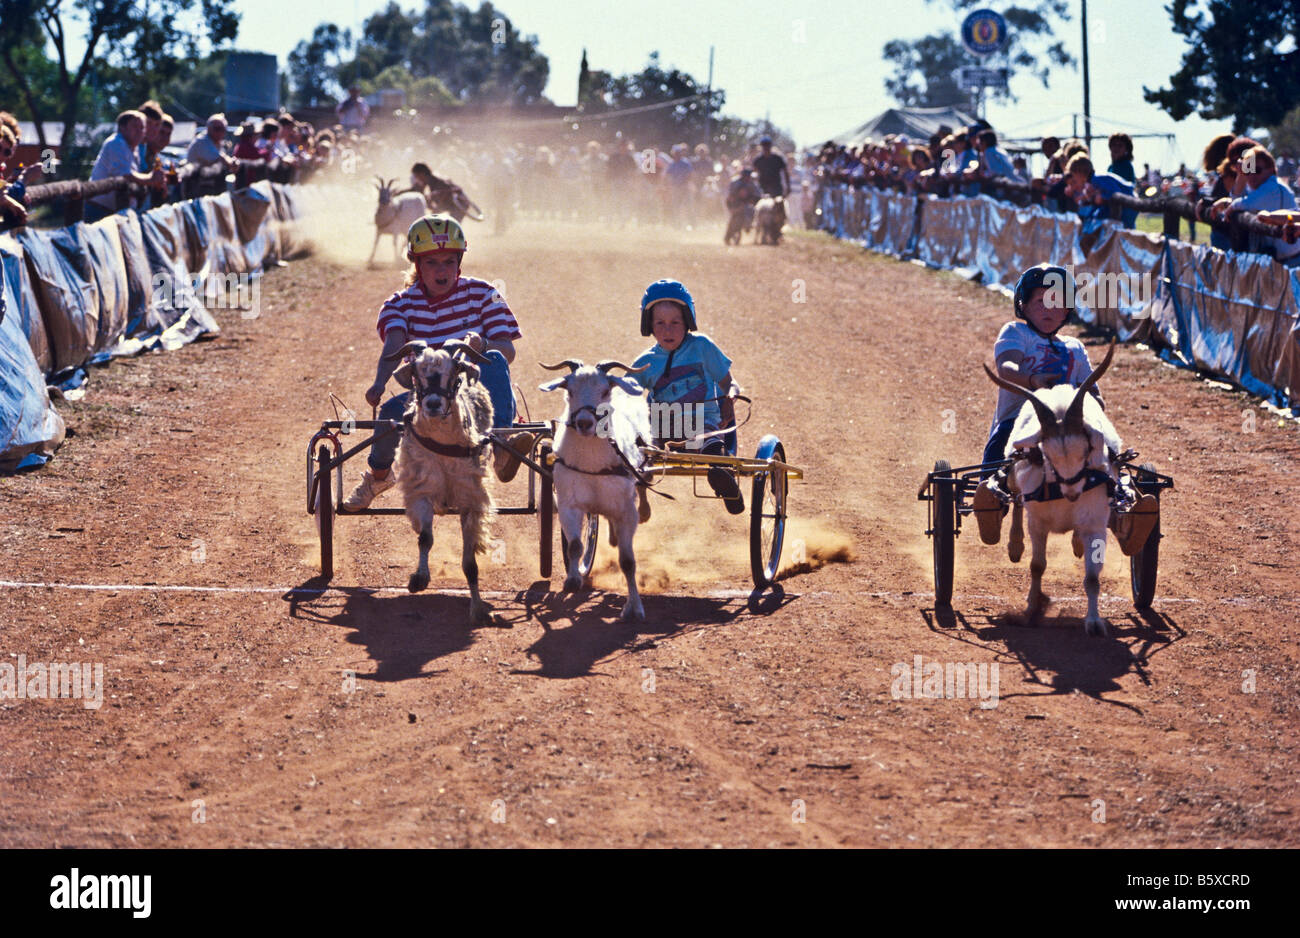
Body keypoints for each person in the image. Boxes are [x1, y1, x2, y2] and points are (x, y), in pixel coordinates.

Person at [343, 215, 532, 510]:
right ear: (417, 264)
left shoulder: (485, 294)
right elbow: (394, 345)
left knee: (493, 358)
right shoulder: (399, 304)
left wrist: (481, 347)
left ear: (459, 262)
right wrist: (379, 382)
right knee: (388, 415)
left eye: (448, 261)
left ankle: (502, 446)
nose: (441, 270)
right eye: (431, 262)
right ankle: (378, 476)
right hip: (426, 397)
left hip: (479, 397)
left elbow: (507, 349)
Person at [971, 265, 1157, 553]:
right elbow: (1006, 368)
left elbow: (1093, 390)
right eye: (1040, 301)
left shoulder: (1074, 347)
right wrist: (1033, 381)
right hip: (1022, 421)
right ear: (1023, 305)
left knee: (1104, 442)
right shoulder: (1016, 333)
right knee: (1003, 441)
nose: (1048, 309)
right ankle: (992, 494)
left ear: (1068, 309)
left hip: (1071, 425)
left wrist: (1093, 407)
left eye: (1057, 302)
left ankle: (1122, 505)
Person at [630, 279, 744, 515]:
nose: (668, 330)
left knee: (711, 449)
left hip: (701, 423)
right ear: (649, 325)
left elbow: (729, 383)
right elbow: (624, 395)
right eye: (659, 323)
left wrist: (729, 398)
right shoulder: (644, 362)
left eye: (675, 322)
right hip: (661, 427)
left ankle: (723, 478)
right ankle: (639, 493)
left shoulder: (702, 346)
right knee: (638, 451)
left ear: (688, 322)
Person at [1215, 147, 1300, 265]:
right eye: (1248, 171)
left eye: (1257, 170)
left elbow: (1242, 204)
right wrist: (1241, 175)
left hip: (1291, 261)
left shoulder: (1273, 186)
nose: (1252, 175)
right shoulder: (1260, 188)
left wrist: (1229, 204)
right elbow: (1237, 200)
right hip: (1281, 260)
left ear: (1271, 169)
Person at [85, 110, 164, 223]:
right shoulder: (116, 143)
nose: (139, 131)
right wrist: (151, 179)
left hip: (113, 210)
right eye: (134, 126)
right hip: (99, 210)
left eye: (142, 128)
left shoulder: (134, 148)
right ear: (122, 128)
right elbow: (125, 175)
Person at [1065, 152, 1137, 230]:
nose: (1074, 179)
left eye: (1074, 176)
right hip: (1125, 207)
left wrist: (1100, 198)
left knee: (1100, 219)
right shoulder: (1092, 182)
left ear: (1079, 173)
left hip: (1128, 207)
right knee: (1094, 217)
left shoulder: (1097, 180)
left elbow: (1115, 194)